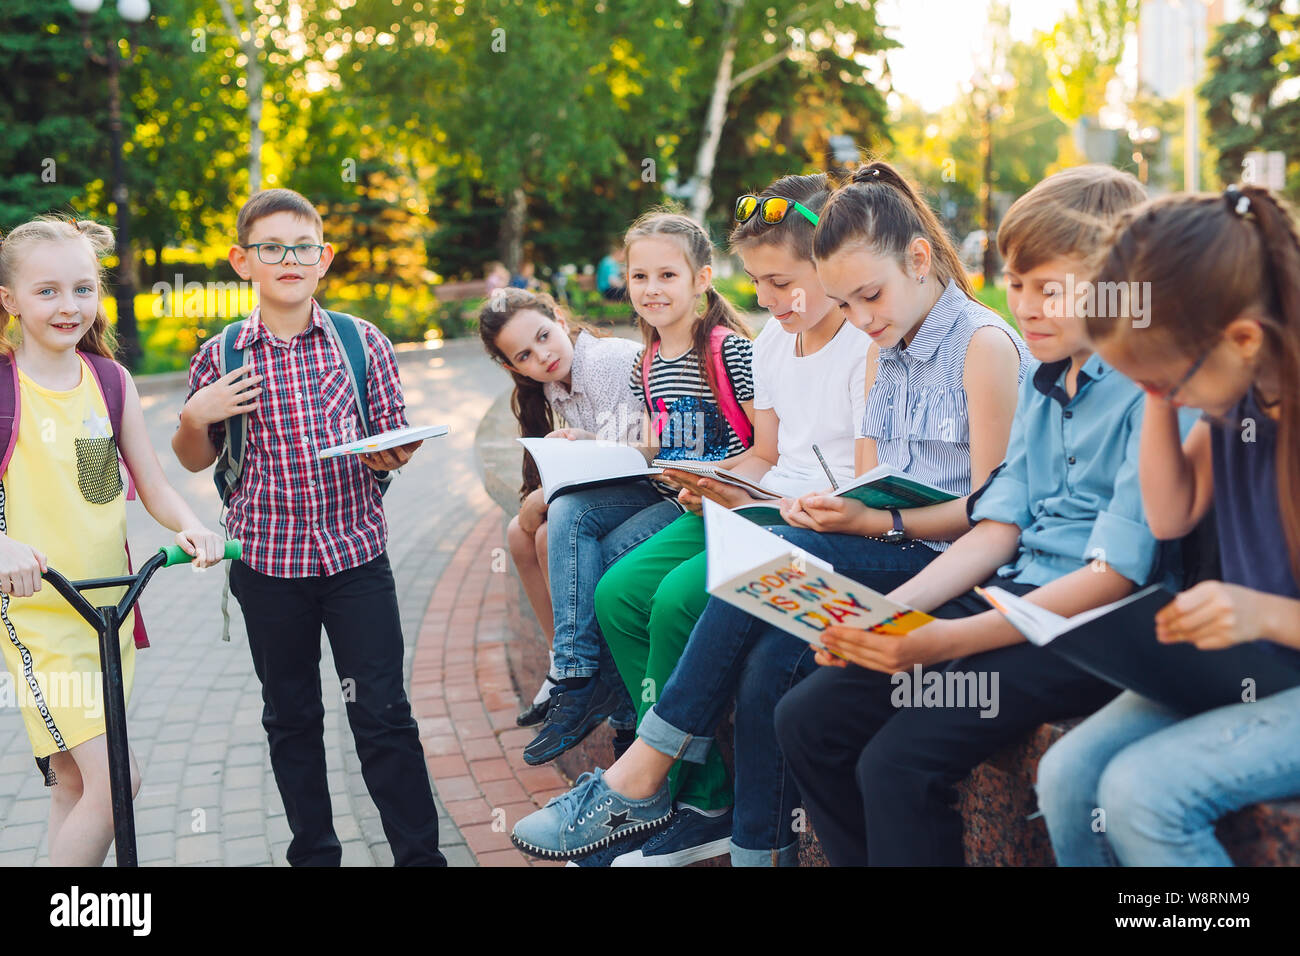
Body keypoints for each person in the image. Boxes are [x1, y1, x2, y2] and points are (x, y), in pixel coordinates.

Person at [513, 162, 1027, 865]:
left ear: (917, 258)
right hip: (874, 542)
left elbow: (988, 512)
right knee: (770, 686)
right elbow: (872, 479)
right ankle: (757, 848)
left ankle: (643, 772)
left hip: (934, 558)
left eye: (866, 297)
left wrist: (872, 523)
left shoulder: (981, 345)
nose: (862, 318)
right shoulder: (888, 345)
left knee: (763, 562)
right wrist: (845, 513)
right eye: (848, 303)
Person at [773, 164, 1196, 866]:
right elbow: (997, 526)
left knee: (897, 764)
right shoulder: (1043, 378)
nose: (1025, 307)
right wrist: (892, 614)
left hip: (1091, 629)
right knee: (809, 718)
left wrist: (944, 644)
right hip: (1010, 598)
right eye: (1018, 284)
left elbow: (1116, 573)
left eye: (1048, 289)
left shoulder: (1151, 393)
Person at [172, 188, 445, 866]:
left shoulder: (363, 342)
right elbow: (193, 458)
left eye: (301, 247)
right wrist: (193, 416)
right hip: (266, 569)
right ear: (244, 261)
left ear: (323, 259)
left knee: (382, 716)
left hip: (357, 560)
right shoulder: (222, 353)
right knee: (291, 717)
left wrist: (395, 452)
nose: (287, 259)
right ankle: (316, 854)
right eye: (271, 248)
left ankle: (420, 857)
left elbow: (390, 437)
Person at [1035, 184, 1300, 866]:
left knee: (1142, 794)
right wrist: (1156, 390)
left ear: (1243, 338)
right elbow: (1169, 511)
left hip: (1282, 670)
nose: (1162, 396)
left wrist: (1260, 613)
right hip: (1250, 673)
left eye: (1167, 381)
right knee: (1065, 778)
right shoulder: (1237, 397)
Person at [0, 216, 224, 866]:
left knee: (76, 781)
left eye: (81, 288)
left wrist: (191, 525)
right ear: (9, 299)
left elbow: (152, 486)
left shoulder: (108, 381)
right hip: (39, 622)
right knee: (118, 781)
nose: (68, 306)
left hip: (108, 613)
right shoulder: (5, 387)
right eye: (46, 292)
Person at [516, 210, 756, 771]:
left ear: (702, 277)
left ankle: (616, 706)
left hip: (719, 508)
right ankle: (578, 677)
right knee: (570, 511)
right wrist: (589, 442)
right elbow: (653, 443)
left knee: (602, 568)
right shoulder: (645, 364)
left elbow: (771, 445)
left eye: (667, 276)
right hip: (675, 498)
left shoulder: (729, 351)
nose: (650, 289)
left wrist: (718, 481)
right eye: (639, 276)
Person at [478, 287, 664, 740]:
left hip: (656, 488)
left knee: (543, 532)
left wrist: (544, 496)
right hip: (616, 491)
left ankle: (578, 672)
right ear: (511, 366)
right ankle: (562, 670)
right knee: (519, 534)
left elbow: (642, 456)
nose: (542, 356)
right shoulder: (551, 386)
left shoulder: (604, 363)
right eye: (524, 355)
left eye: (544, 336)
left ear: (560, 319)